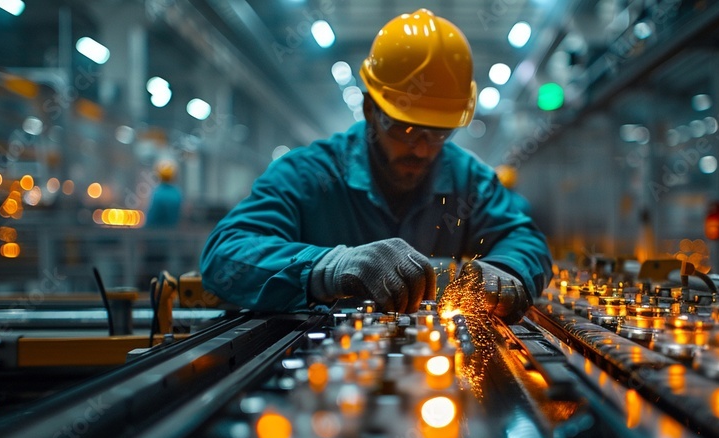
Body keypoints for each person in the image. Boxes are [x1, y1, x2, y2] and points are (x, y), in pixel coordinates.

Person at [200, 8, 552, 322]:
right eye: (406, 129)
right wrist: (330, 267)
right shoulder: (309, 175)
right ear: (370, 109)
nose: (422, 149)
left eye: (439, 132)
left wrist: (506, 270)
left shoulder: (469, 179)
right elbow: (225, 256)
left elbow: (524, 239)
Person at [144, 161, 183, 228]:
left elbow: (151, 218)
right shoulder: (177, 194)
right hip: (173, 231)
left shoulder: (157, 194)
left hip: (157, 231)